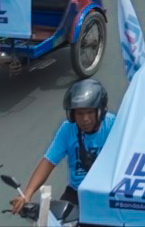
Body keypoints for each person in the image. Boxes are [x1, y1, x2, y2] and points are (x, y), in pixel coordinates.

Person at [7, 79, 115, 215]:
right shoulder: (67, 129)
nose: (85, 119)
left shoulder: (114, 126)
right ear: (72, 114)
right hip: (76, 192)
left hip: (106, 192)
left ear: (100, 111)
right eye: (79, 114)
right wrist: (27, 194)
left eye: (90, 112)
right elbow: (48, 161)